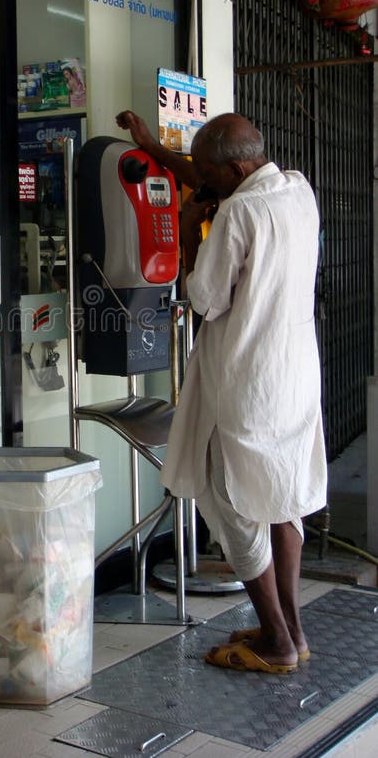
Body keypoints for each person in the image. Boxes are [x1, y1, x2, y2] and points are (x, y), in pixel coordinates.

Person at [118, 109, 328, 675]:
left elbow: (205, 299)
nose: (202, 183)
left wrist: (188, 232)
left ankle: (277, 644)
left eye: (211, 177)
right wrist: (151, 148)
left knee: (232, 503)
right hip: (292, 376)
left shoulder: (237, 213)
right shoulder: (296, 190)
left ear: (234, 171)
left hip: (244, 382)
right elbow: (209, 170)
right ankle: (292, 632)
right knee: (281, 499)